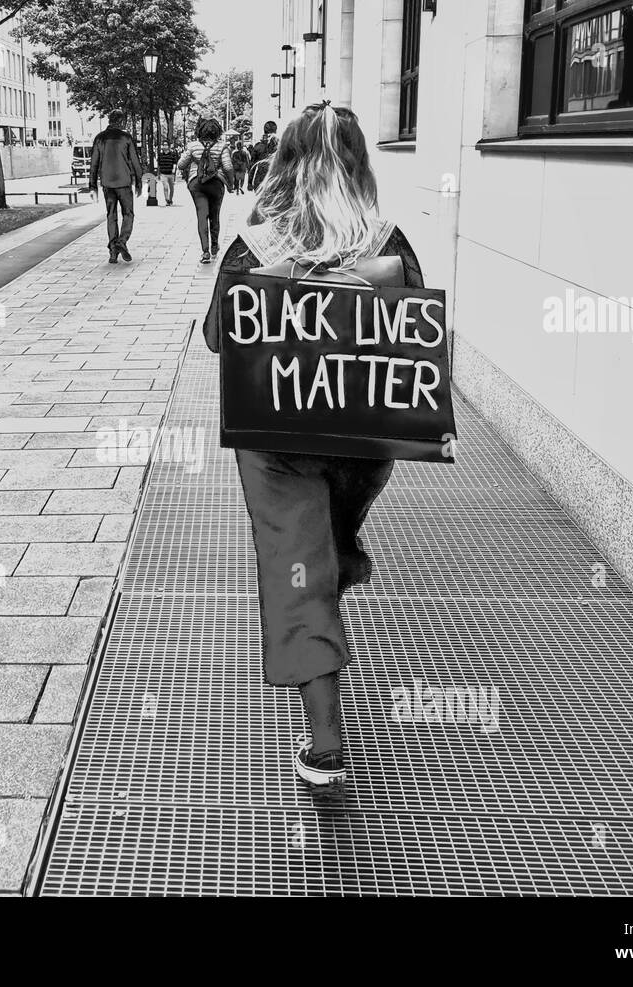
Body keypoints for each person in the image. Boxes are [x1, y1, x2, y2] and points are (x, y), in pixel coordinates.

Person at [202, 102, 424, 788]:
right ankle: (329, 584)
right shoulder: (390, 242)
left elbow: (218, 336)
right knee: (324, 551)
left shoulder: (256, 246)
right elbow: (416, 332)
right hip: (363, 440)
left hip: (277, 440)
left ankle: (325, 738)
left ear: (287, 165)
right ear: (358, 164)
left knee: (295, 567)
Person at [177, 118, 234, 264]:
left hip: (197, 184)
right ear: (217, 131)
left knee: (202, 216)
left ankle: (205, 251)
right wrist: (231, 184)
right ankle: (215, 246)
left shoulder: (192, 146)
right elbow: (227, 167)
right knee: (215, 215)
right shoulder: (222, 146)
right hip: (216, 184)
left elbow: (181, 165)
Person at [88, 110, 142, 263]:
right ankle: (121, 241)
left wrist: (92, 186)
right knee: (128, 214)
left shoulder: (99, 138)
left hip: (107, 183)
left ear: (109, 120)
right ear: (122, 122)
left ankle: (113, 252)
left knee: (111, 216)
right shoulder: (126, 138)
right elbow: (135, 161)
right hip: (124, 182)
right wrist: (139, 182)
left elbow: (94, 164)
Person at [248, 119, 279, 190]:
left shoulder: (258, 146)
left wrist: (249, 182)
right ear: (275, 130)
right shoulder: (281, 146)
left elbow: (252, 165)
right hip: (275, 180)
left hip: (260, 181)